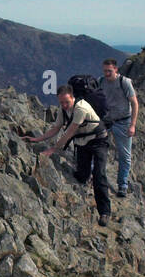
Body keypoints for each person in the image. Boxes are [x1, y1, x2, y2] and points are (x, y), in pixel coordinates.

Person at [27, 83, 112, 225]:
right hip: (82, 143)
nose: (64, 105)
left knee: (99, 174)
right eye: (61, 102)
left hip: (98, 141)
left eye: (67, 101)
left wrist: (52, 150)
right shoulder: (63, 110)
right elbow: (55, 129)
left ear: (73, 97)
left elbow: (70, 132)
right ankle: (86, 187)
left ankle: (104, 212)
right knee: (82, 175)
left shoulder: (81, 108)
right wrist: (36, 139)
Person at [101, 57, 138, 197]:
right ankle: (95, 175)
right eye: (105, 71)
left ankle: (122, 185)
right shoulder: (101, 81)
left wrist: (133, 125)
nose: (107, 74)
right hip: (107, 120)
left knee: (124, 155)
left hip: (123, 122)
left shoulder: (125, 82)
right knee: (98, 147)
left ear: (116, 69)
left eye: (109, 71)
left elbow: (134, 103)